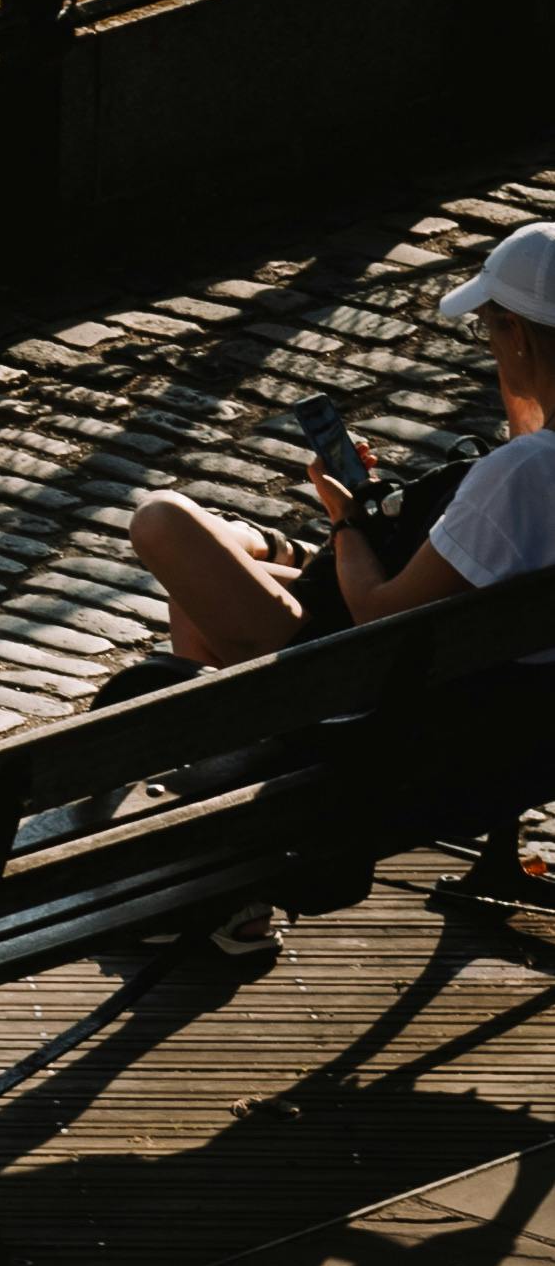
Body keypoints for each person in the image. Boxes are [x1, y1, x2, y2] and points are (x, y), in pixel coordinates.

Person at [119, 225, 555, 942]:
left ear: (515, 334)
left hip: (368, 707)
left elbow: (376, 610)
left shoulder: (518, 477)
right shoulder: (528, 469)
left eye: (487, 329)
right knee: (220, 547)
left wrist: (346, 518)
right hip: (510, 722)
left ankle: (209, 871)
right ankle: (216, 873)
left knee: (163, 522)